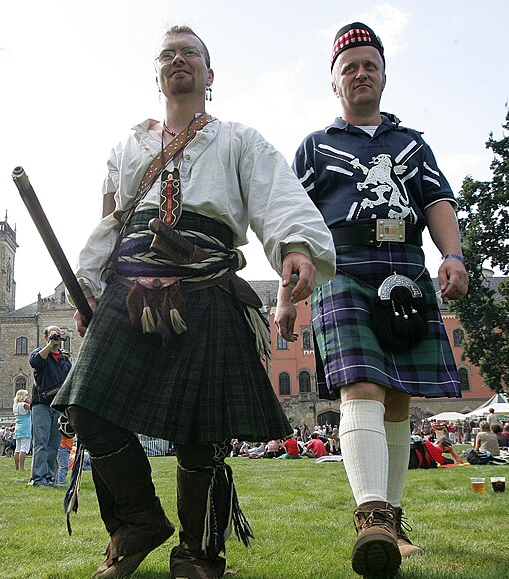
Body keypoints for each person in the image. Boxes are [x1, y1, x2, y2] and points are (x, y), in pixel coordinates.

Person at [54, 25, 335, 579]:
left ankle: (199, 553)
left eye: (190, 54)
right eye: (168, 54)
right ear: (157, 74)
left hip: (207, 283)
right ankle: (137, 523)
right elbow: (110, 217)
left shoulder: (238, 139)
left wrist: (295, 248)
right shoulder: (127, 145)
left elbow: (278, 196)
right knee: (85, 405)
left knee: (200, 430)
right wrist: (90, 284)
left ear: (210, 75)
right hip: (131, 285)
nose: (178, 60)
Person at [291, 21, 468, 577]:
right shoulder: (315, 148)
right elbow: (293, 222)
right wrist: (285, 295)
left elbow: (437, 200)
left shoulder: (412, 144)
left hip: (405, 268)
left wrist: (454, 255)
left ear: (384, 76)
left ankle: (391, 518)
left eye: (370, 64)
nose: (360, 73)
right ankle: (370, 515)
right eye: (350, 68)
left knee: (397, 398)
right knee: (361, 385)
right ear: (336, 83)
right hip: (341, 268)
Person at [28, 326, 72, 487]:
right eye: (53, 335)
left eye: (58, 335)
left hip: (58, 406)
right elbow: (35, 362)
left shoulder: (65, 359)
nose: (56, 338)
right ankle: (38, 478)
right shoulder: (39, 353)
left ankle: (49, 477)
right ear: (45, 337)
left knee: (54, 444)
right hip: (41, 404)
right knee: (41, 442)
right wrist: (50, 346)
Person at [12, 390, 31, 472]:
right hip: (26, 427)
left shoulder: (15, 405)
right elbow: (32, 407)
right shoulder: (24, 405)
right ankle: (22, 467)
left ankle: (17, 467)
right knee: (24, 448)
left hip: (18, 427)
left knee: (18, 448)